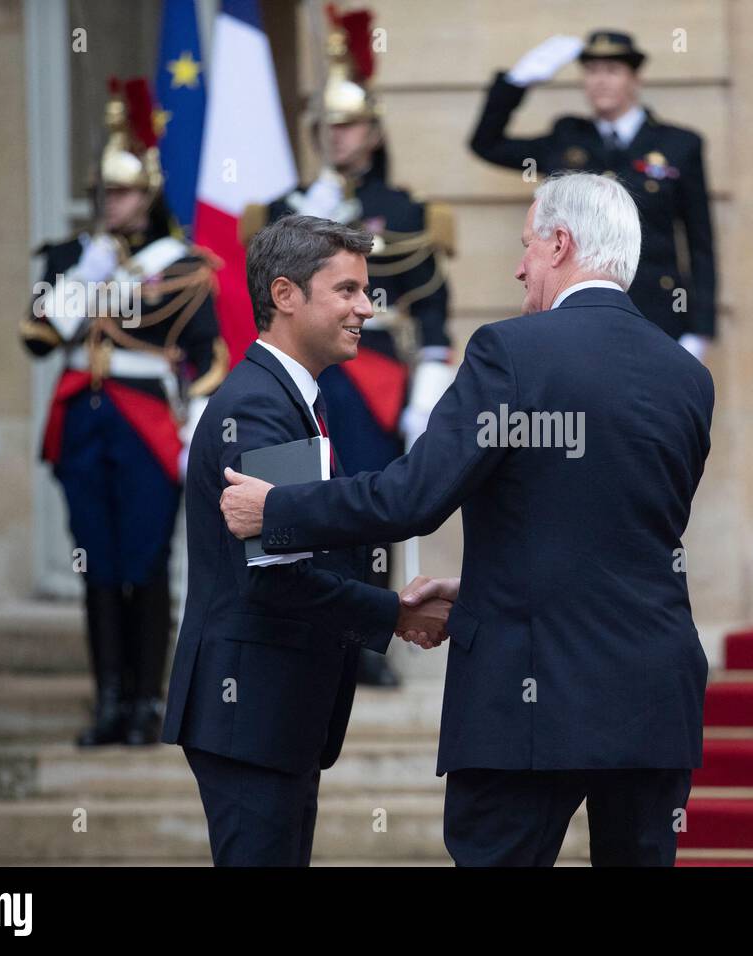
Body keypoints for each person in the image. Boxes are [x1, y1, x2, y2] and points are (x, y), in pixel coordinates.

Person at [221, 173, 714, 866]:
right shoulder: (687, 376)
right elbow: (616, 529)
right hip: (654, 693)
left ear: (562, 245)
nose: (518, 266)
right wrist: (486, 582)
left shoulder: (511, 352)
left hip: (527, 693)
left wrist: (278, 506)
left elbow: (411, 499)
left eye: (527, 247)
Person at [161, 215, 451, 866]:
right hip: (251, 712)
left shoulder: (285, 398)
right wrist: (394, 614)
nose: (365, 308)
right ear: (286, 295)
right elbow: (279, 576)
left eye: (365, 291)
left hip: (271, 711)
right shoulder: (261, 407)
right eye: (346, 290)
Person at [249, 5, 456, 687]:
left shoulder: (403, 210)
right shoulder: (287, 204)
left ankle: (369, 637)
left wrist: (428, 381)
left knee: (366, 506)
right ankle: (305, 628)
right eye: (328, 126)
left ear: (373, 131)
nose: (338, 137)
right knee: (297, 496)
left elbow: (430, 302)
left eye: (350, 125)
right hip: (302, 371)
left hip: (373, 373)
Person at [20, 78, 228, 748]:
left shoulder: (186, 267)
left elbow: (209, 355)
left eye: (129, 192)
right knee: (97, 561)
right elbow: (39, 336)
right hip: (84, 417)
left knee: (144, 559)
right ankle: (107, 697)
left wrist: (195, 423)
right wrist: (89, 271)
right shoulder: (69, 258)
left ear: (150, 194)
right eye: (108, 193)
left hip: (146, 422)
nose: (118, 203)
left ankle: (147, 700)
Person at [470, 30, 717, 359]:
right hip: (576, 310)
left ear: (635, 78)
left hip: (657, 310)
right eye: (592, 71)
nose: (600, 81)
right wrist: (517, 83)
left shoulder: (678, 144)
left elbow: (700, 241)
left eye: (612, 70)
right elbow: (487, 144)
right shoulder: (567, 136)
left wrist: (700, 329)